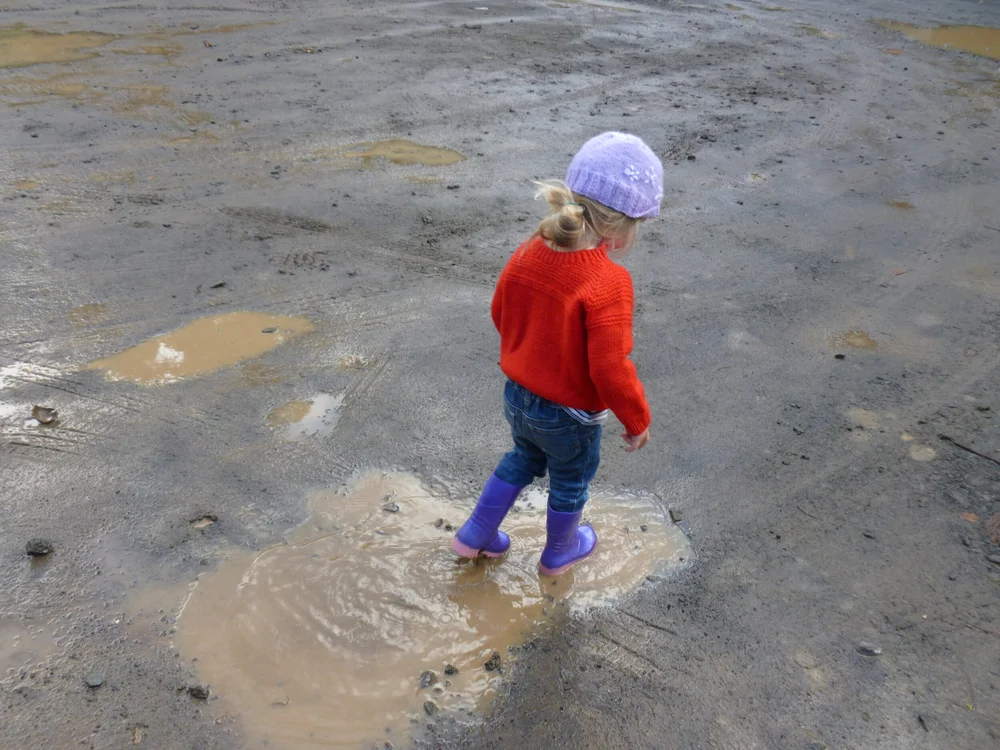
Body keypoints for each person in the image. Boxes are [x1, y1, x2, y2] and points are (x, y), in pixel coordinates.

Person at [451, 132, 662, 576]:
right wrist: (636, 419)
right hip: (571, 417)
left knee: (522, 457)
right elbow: (610, 367)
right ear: (623, 226)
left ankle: (474, 536)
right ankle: (559, 552)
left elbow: (500, 310)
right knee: (570, 480)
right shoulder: (608, 281)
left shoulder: (531, 248)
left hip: (519, 395)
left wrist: (528, 353)